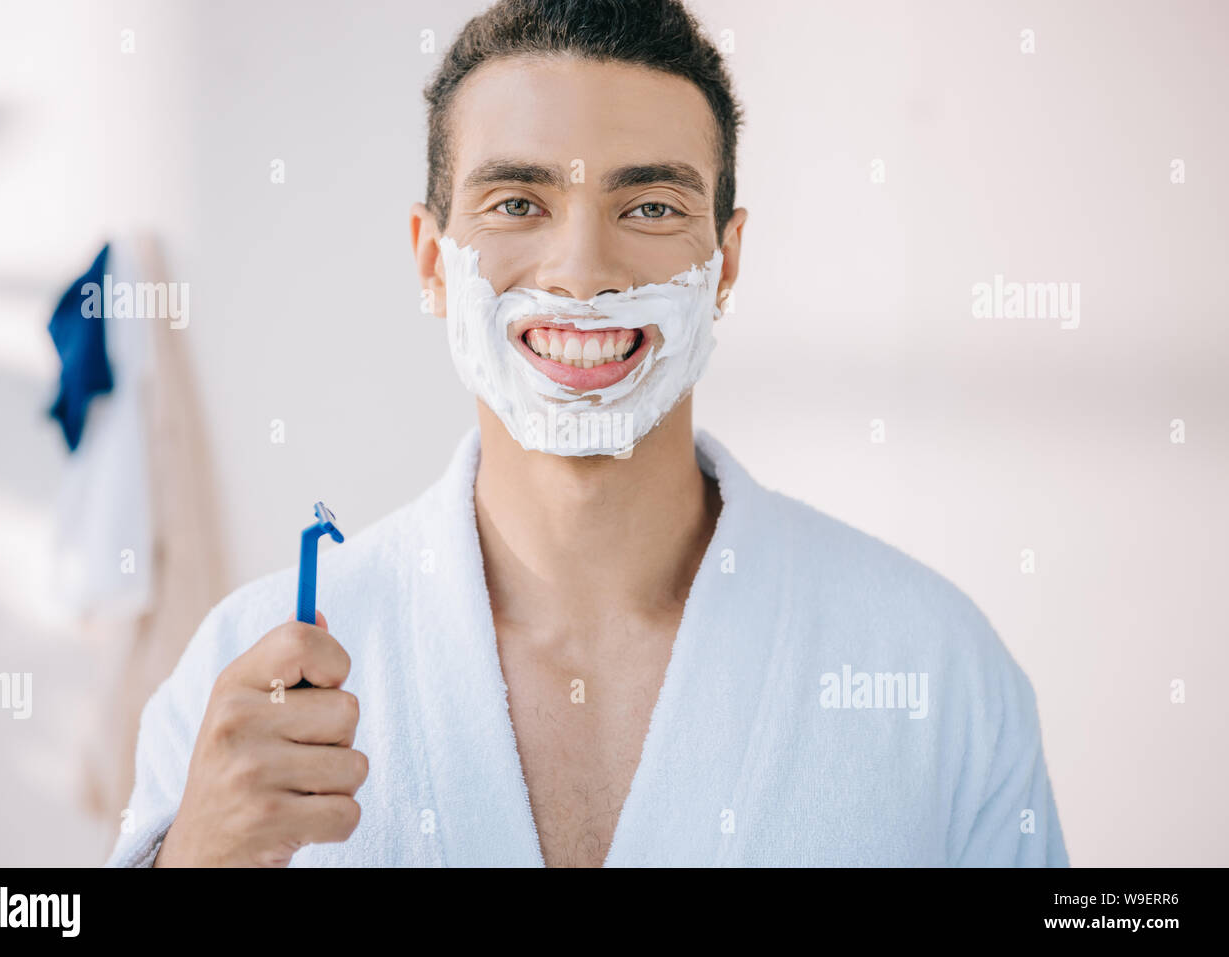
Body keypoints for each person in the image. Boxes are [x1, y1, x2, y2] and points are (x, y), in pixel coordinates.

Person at [108, 0, 1067, 868]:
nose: (582, 271)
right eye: (518, 203)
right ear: (432, 261)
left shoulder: (932, 667)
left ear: (725, 261)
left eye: (648, 206)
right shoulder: (246, 672)